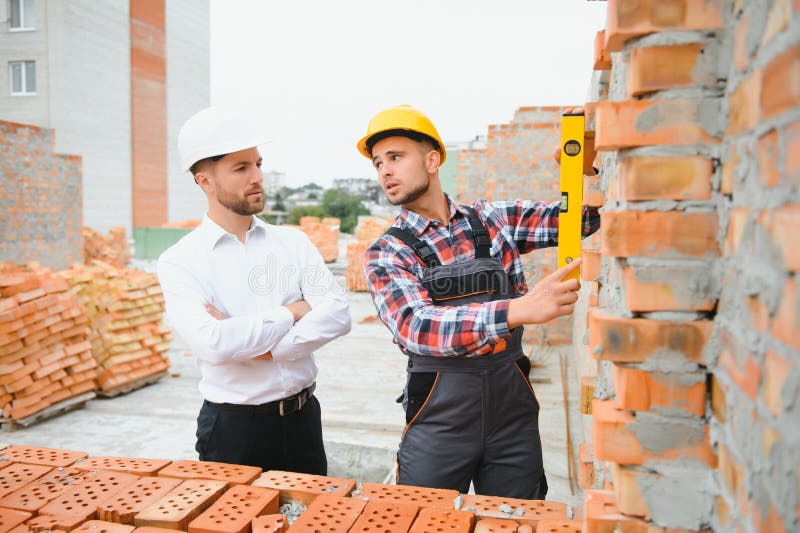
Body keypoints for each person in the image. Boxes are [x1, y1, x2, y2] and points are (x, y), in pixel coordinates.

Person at [359, 105, 600, 499]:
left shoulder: (493, 221)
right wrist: (519, 309)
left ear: (432, 159)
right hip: (440, 419)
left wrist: (583, 167)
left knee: (517, 519)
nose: (385, 171)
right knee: (423, 522)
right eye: (378, 163)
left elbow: (584, 220)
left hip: (512, 414)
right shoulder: (387, 252)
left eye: (396, 157)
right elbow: (417, 327)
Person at [157, 105, 351, 474]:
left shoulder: (292, 242)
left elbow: (338, 315)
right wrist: (293, 312)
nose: (258, 177)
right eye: (241, 168)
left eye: (258, 164)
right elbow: (213, 343)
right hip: (232, 433)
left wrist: (266, 350)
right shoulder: (180, 261)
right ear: (205, 181)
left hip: (303, 422)